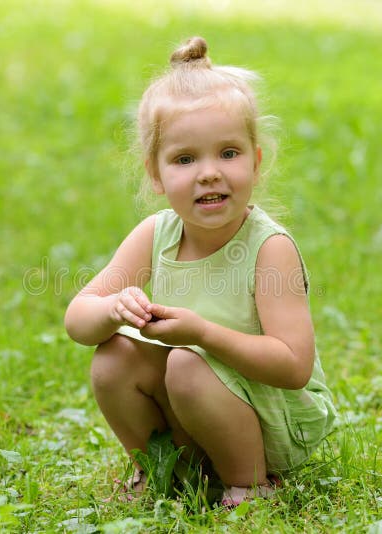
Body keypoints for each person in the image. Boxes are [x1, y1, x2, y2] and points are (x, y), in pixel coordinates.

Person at [64, 36, 335, 506]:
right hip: (195, 404)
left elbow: (294, 366)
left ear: (256, 161)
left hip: (274, 419)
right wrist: (112, 309)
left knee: (188, 362)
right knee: (113, 357)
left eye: (228, 153)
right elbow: (78, 320)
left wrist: (203, 334)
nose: (209, 173)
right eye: (185, 159)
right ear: (155, 174)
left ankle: (250, 484)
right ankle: (162, 471)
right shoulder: (157, 234)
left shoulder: (269, 248)